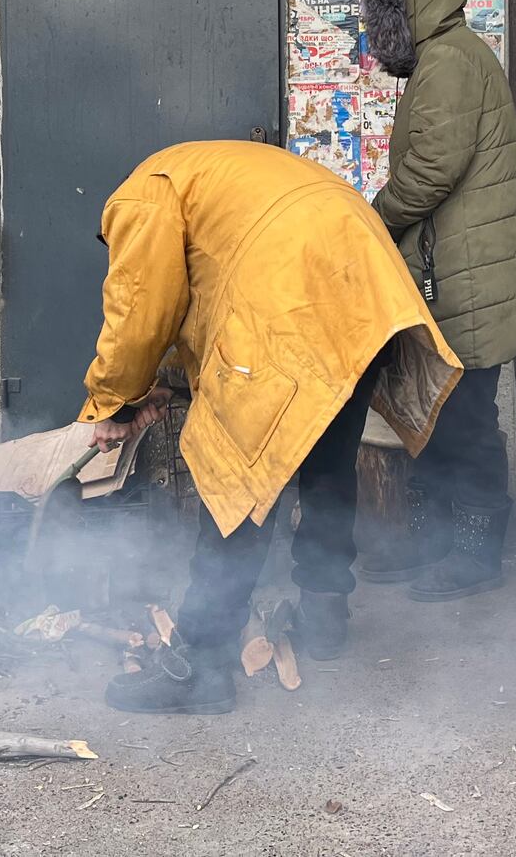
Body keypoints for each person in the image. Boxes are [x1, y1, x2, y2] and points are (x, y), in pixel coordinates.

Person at [79, 141, 463, 714]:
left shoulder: (141, 194)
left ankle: (202, 667)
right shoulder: (212, 170)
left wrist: (111, 402)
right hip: (366, 294)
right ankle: (326, 614)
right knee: (330, 462)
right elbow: (209, 297)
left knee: (238, 481)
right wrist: (163, 385)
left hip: (293, 303)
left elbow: (142, 310)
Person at [353, 0, 516, 601]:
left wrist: (374, 218)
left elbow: (434, 168)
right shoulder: (455, 55)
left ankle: (475, 556)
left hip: (468, 285)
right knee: (449, 417)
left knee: (462, 423)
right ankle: (449, 544)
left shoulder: (447, 62)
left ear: (415, 2)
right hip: (465, 277)